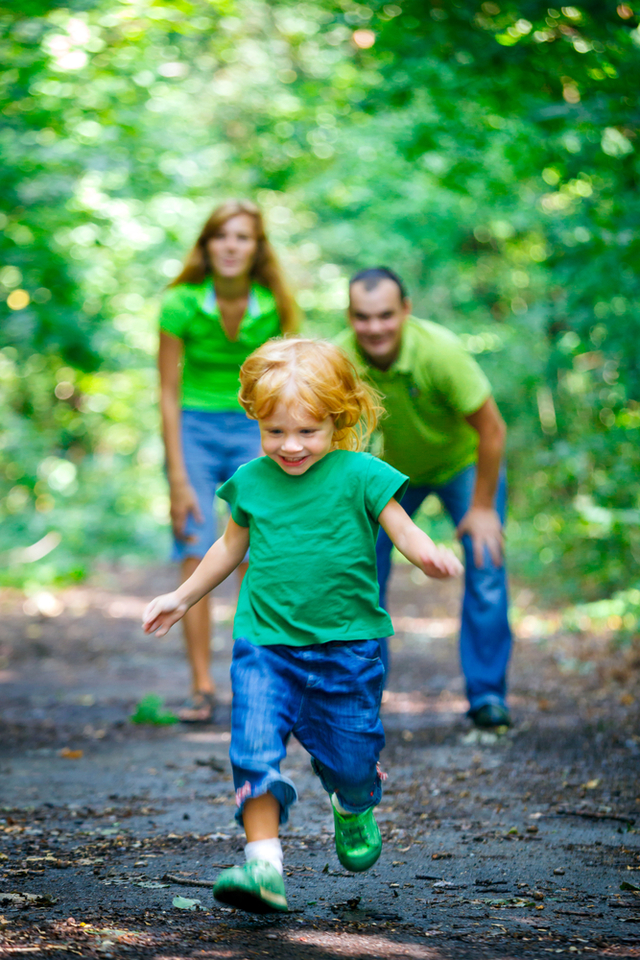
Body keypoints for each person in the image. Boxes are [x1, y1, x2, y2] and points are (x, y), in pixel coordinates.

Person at [143, 338, 462, 913]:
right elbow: (228, 548)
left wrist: (428, 555)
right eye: (275, 431)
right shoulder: (251, 481)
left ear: (338, 419)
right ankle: (264, 866)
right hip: (265, 645)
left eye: (307, 431)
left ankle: (353, 801)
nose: (290, 446)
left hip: (347, 648)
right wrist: (182, 597)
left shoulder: (362, 474)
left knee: (353, 761)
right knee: (253, 749)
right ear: (256, 421)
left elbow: (403, 528)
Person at [336, 267, 511, 730]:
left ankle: (488, 696)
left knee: (486, 561)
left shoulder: (440, 353)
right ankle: (362, 701)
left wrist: (482, 508)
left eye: (385, 315)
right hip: (391, 474)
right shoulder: (339, 360)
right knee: (360, 572)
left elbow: (493, 430)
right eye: (362, 317)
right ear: (350, 317)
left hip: (461, 465)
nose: (374, 327)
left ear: (406, 311)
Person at [158, 200, 297, 722]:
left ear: (257, 247)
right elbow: (167, 392)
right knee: (195, 546)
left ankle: (252, 681)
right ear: (207, 245)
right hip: (193, 428)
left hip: (252, 427)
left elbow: (291, 378)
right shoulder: (180, 303)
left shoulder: (274, 303)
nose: (232, 246)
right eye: (222, 236)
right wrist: (177, 476)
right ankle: (201, 686)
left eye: (243, 236)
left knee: (251, 551)